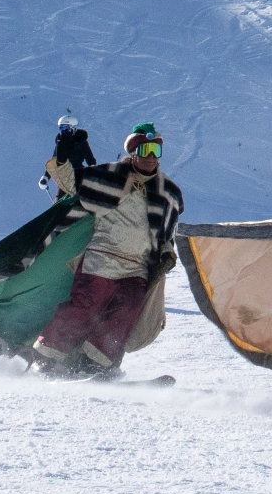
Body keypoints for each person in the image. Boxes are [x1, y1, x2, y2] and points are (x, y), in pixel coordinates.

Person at [33, 122, 184, 377]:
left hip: (136, 268)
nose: (150, 157)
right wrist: (62, 156)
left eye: (156, 151)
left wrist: (167, 251)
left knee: (124, 315)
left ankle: (96, 365)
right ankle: (46, 358)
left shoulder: (168, 192)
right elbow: (71, 182)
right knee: (83, 310)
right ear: (134, 151)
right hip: (100, 261)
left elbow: (166, 232)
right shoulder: (110, 177)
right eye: (145, 149)